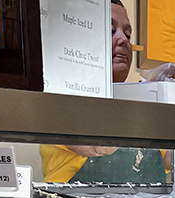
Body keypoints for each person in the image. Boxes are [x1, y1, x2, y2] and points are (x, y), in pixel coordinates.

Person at [40, 1, 167, 184]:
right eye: (110, 31)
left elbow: (171, 159)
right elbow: (100, 146)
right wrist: (150, 98)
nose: (124, 40)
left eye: (128, 35)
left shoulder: (137, 102)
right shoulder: (61, 98)